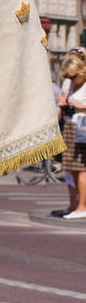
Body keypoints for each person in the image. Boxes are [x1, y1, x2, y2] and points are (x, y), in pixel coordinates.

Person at [56, 48, 86, 217]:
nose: (71, 80)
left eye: (74, 76)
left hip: (83, 128)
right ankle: (77, 206)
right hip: (73, 128)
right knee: (72, 169)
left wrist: (82, 106)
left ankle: (82, 207)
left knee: (81, 169)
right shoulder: (75, 85)